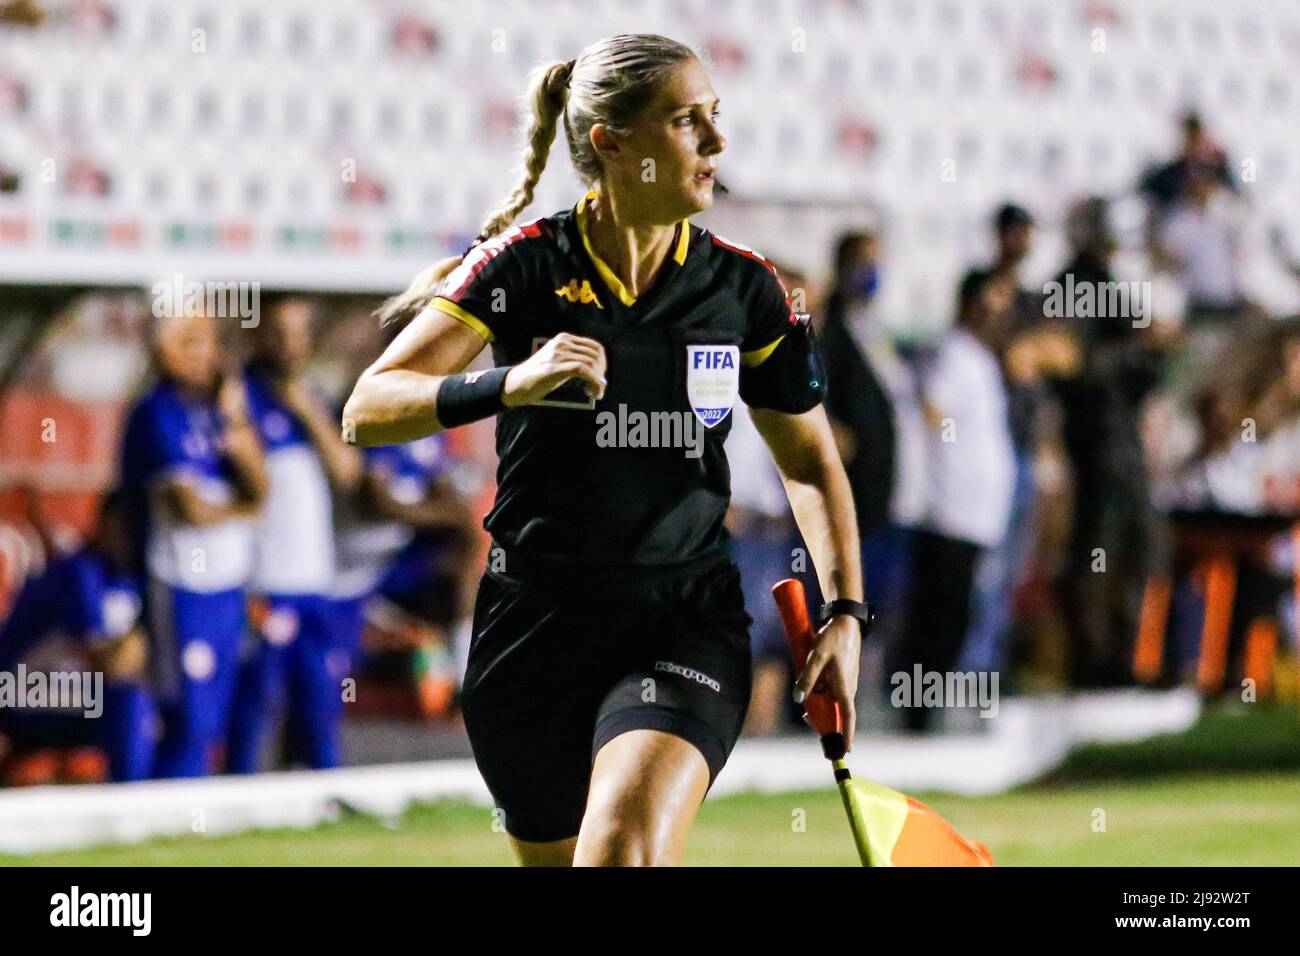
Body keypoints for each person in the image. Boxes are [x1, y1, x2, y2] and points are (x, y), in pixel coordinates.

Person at [343, 34, 866, 866]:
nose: (716, 144)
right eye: (687, 122)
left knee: (620, 853)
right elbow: (368, 408)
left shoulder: (745, 290)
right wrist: (508, 383)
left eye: (714, 117)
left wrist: (845, 613)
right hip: (532, 627)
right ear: (612, 145)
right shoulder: (524, 266)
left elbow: (809, 463)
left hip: (684, 618)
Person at [119, 311, 267, 777]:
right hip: (181, 586)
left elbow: (263, 489)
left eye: (208, 341)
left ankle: (188, 827)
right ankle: (163, 823)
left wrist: (238, 418)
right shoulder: (155, 413)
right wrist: (243, 509)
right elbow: (193, 512)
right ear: (163, 348)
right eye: (190, 341)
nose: (205, 353)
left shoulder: (216, 414)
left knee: (213, 722)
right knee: (188, 719)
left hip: (227, 587)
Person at [226, 296, 361, 772]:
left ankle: (322, 797)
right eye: (280, 332)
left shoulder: (312, 399)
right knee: (257, 704)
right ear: (256, 335)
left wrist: (306, 411)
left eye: (300, 333)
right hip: (266, 581)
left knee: (321, 704)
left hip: (315, 582)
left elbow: (348, 472)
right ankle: (236, 800)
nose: (291, 345)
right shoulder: (239, 396)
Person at [887, 269, 1016, 731]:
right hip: (950, 511)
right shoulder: (953, 355)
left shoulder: (979, 358)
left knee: (955, 614)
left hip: (974, 515)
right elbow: (931, 408)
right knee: (938, 616)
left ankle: (928, 709)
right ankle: (916, 714)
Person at [1051, 197, 1166, 687]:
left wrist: (1142, 351)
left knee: (1136, 549)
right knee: (1097, 548)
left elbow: (1146, 366)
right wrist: (1137, 348)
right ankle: (1095, 662)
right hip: (1096, 437)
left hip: (1121, 437)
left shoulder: (1110, 286)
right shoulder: (1072, 286)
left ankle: (1126, 657)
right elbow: (1076, 364)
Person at [0, 490, 154, 782]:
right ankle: (130, 809)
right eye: (128, 524)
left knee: (159, 706)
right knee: (129, 703)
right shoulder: (79, 573)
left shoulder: (131, 578)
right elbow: (105, 663)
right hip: (22, 689)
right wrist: (135, 648)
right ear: (109, 521)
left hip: (81, 693)